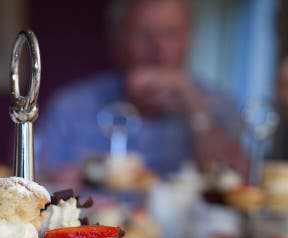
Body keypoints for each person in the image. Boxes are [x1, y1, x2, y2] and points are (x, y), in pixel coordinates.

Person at [37, 0, 247, 184]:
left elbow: (236, 183)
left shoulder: (220, 105)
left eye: (170, 34)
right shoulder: (70, 106)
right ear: (117, 40)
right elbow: (35, 183)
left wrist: (191, 101)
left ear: (188, 40)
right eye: (142, 34)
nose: (158, 47)